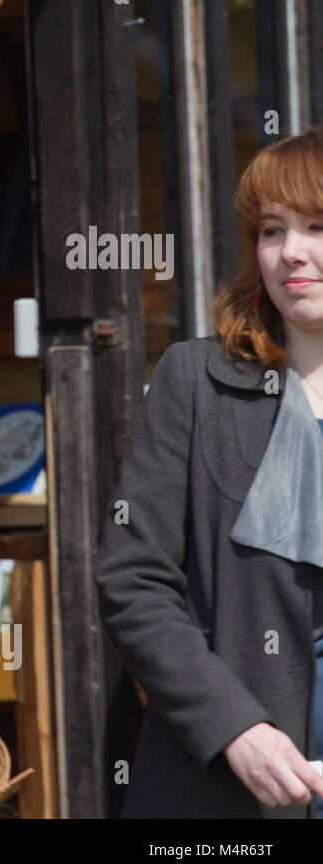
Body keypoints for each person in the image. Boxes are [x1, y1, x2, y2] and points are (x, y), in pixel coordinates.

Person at [97, 128, 323, 818]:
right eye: (272, 230)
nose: (291, 252)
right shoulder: (196, 381)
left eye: (317, 226)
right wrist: (233, 728)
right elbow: (133, 579)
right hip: (227, 785)